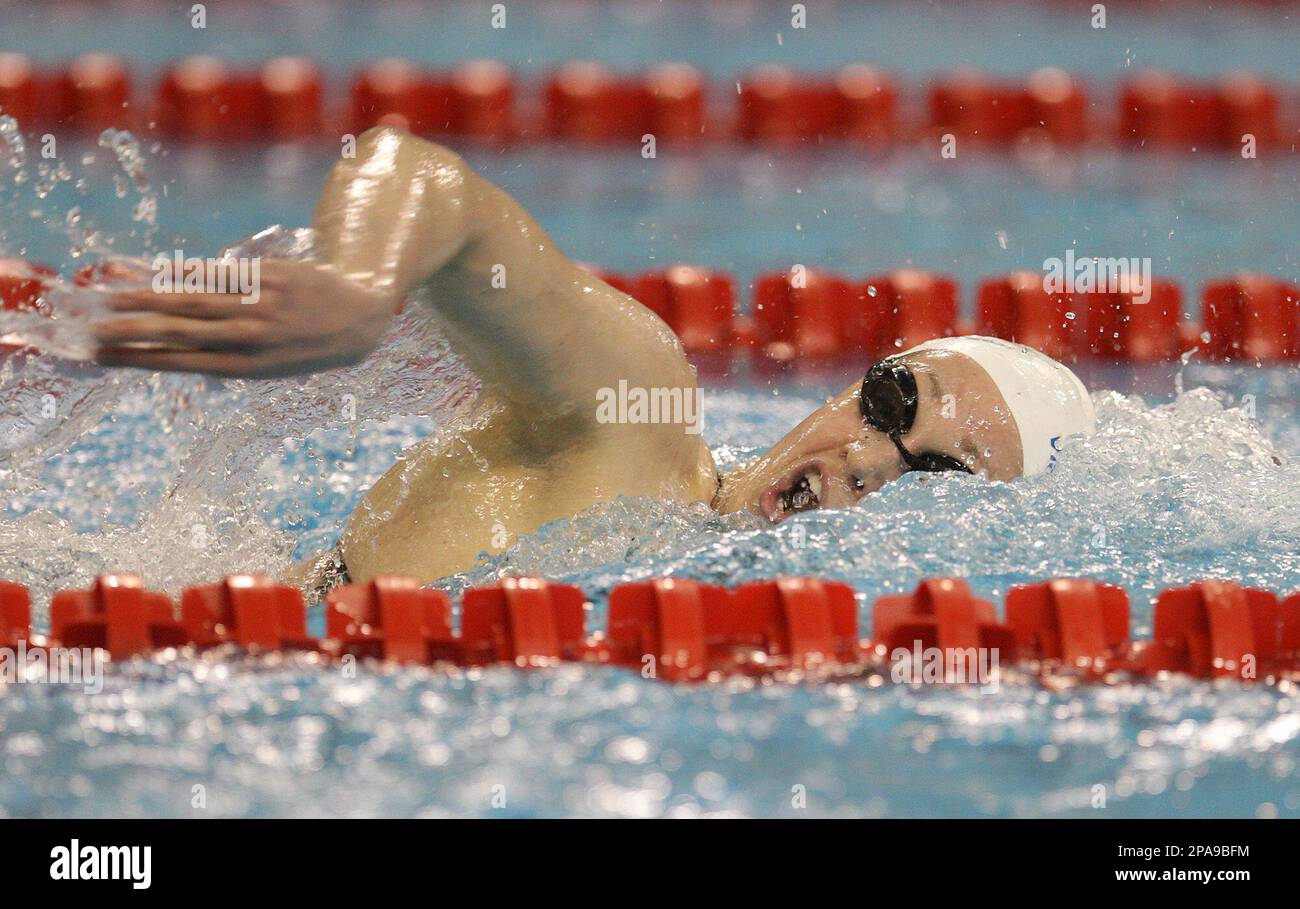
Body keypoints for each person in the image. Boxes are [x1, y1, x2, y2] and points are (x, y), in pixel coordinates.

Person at [92, 127, 1095, 587]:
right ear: (848, 381)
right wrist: (356, 288)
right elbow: (423, 180)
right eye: (889, 401)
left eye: (937, 477)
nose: (869, 463)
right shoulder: (636, 419)